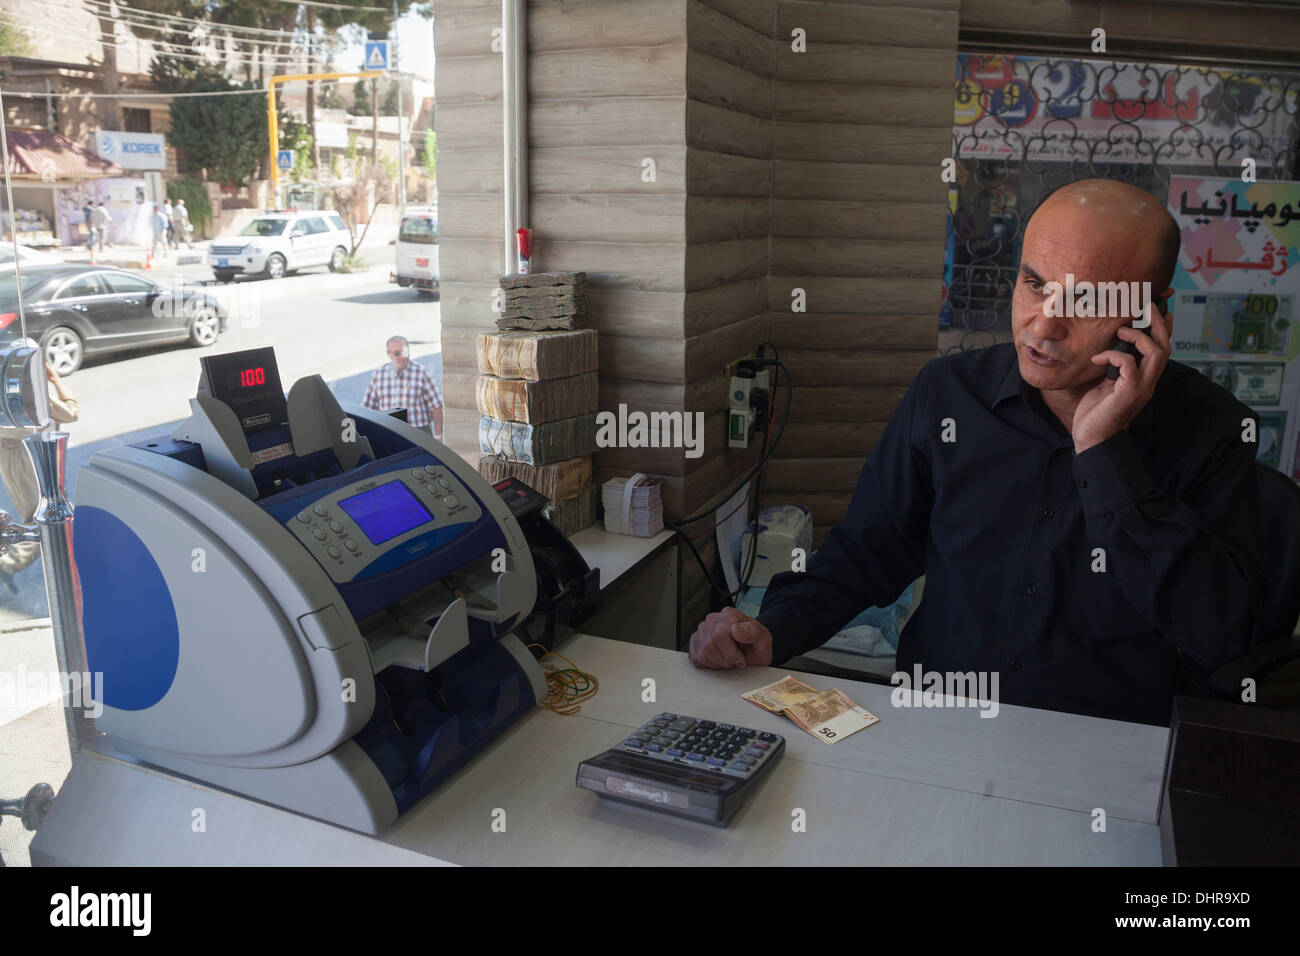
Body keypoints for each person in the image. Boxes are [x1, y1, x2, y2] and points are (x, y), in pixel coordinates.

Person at [688, 178, 1267, 727]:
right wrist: (772, 630)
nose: (1043, 326)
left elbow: (1216, 633)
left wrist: (1104, 453)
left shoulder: (1214, 431)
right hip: (940, 727)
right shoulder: (946, 395)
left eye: (1085, 301)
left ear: (1151, 313)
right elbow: (869, 552)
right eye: (1035, 283)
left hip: (1109, 753)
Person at [0, 345, 80, 594]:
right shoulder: (34, 395)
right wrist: (55, 380)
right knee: (43, 520)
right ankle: (6, 567)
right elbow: (72, 411)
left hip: (15, 459)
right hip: (26, 460)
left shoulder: (11, 393)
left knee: (43, 518)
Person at [362, 335, 443, 440]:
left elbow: (436, 406)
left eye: (405, 351)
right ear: (389, 354)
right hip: (390, 432)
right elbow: (367, 408)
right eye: (397, 353)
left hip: (419, 432)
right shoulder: (379, 375)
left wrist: (438, 437)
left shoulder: (421, 372)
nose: (402, 356)